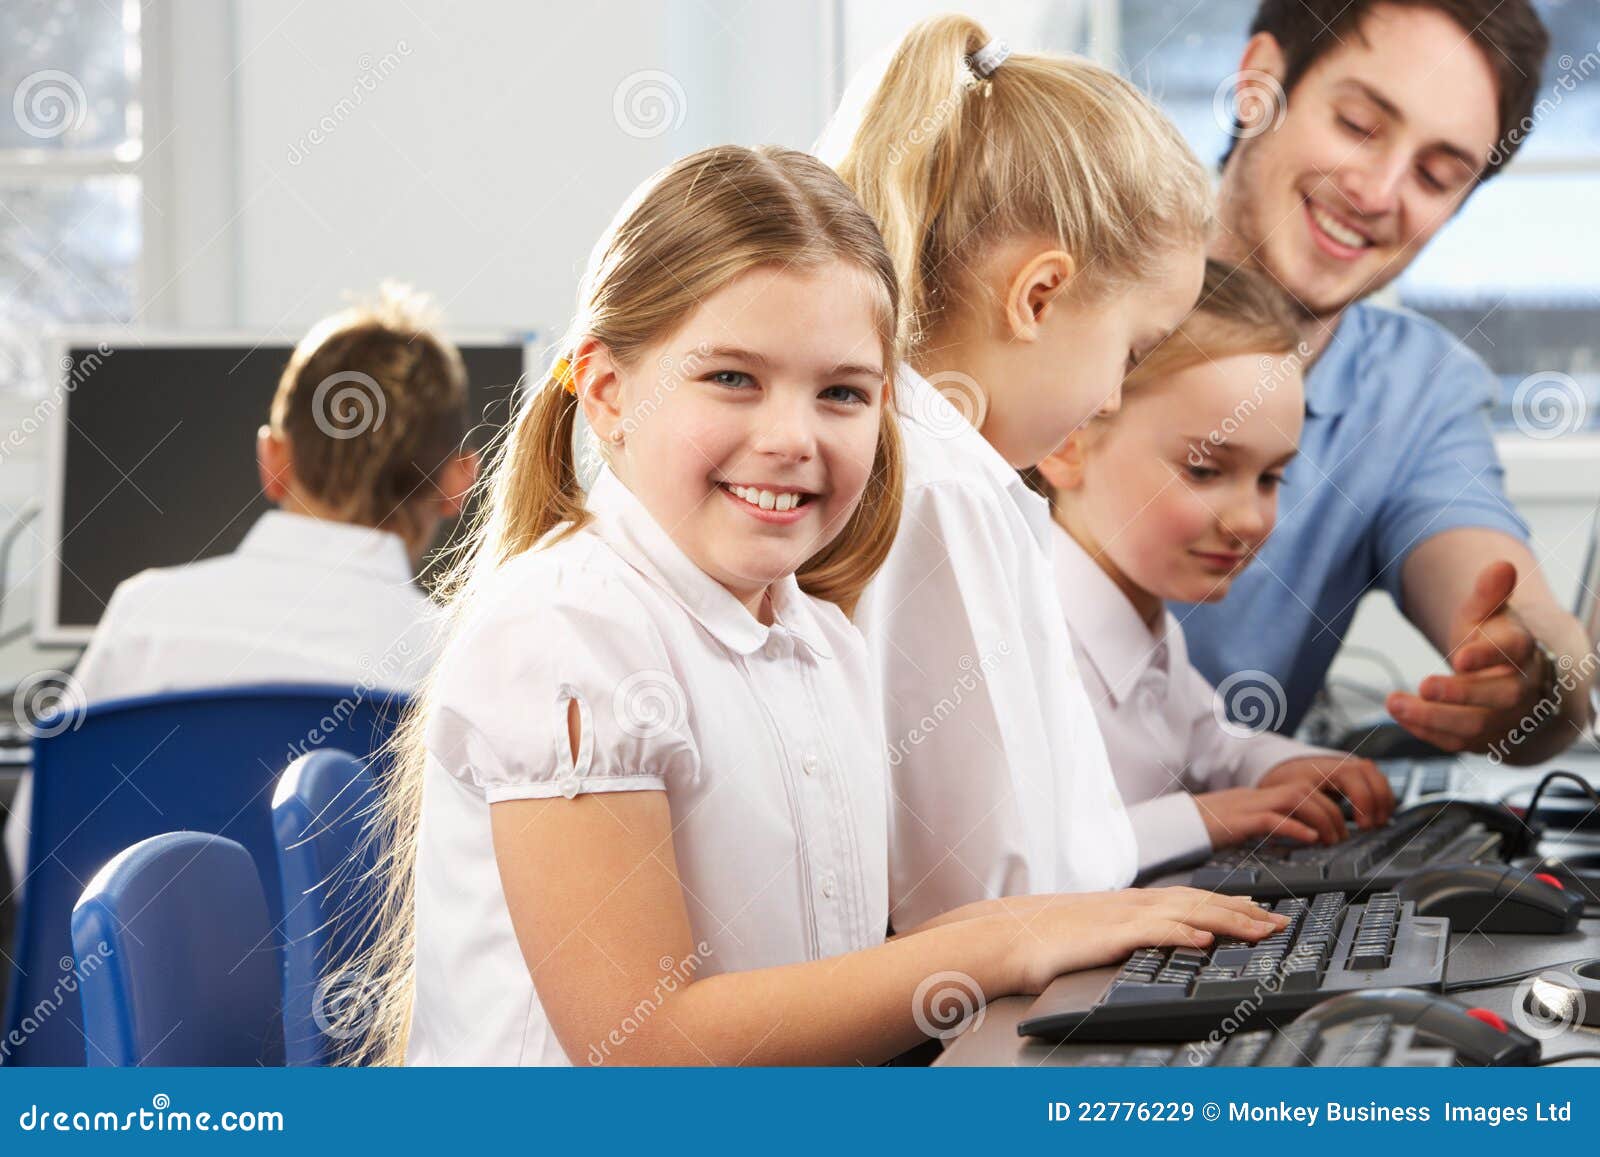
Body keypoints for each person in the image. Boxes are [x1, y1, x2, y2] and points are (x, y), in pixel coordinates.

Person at [352, 145, 1285, 1067]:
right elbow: (645, 1046)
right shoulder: (568, 627)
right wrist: (996, 940)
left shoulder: (817, 635)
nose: (792, 438)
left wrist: (1054, 927)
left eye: (842, 393)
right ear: (605, 391)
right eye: (732, 379)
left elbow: (823, 987)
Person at [829, 15, 1210, 928]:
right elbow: (982, 890)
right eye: (1134, 349)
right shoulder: (943, 486)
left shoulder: (937, 461)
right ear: (1038, 295)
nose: (1117, 396)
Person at [1180, 0, 1594, 765]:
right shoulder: (1065, 300)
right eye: (1359, 127)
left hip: (1208, 870)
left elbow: (1537, 642)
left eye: (1437, 176)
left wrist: (1525, 672)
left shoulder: (1411, 391)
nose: (1377, 193)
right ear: (1260, 80)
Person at [6, 286, 475, 883]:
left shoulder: (146, 614)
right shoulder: (452, 658)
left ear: (272, 460)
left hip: (132, 975)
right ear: (459, 481)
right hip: (357, 980)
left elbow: (34, 852)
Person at [1035, 260, 1387, 872]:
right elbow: (1017, 863)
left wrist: (1273, 765)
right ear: (1068, 441)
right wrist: (1207, 817)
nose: (1250, 519)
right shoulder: (1025, 633)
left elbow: (1209, 739)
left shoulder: (1142, 620)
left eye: (1271, 477)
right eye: (1204, 470)